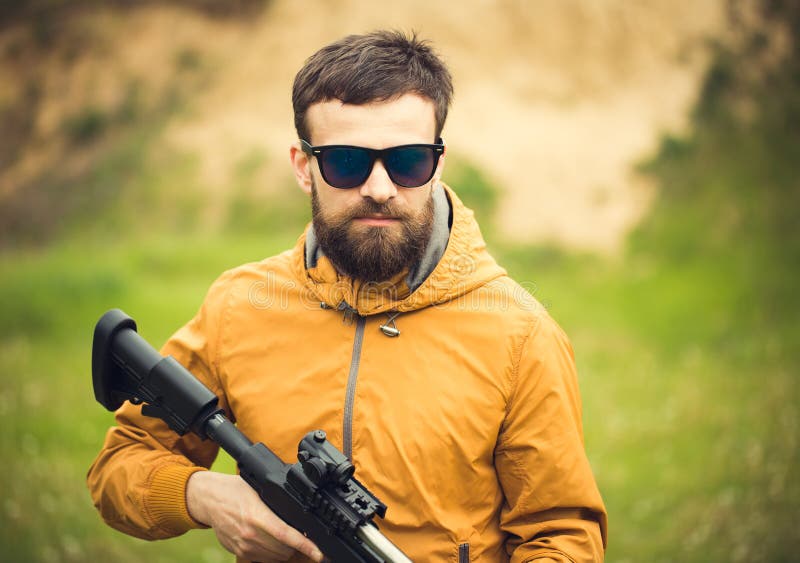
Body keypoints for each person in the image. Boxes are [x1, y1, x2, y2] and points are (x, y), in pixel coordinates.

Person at [87, 30, 608, 562]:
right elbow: (119, 468)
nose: (380, 188)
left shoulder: (519, 332)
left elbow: (561, 535)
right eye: (346, 162)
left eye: (407, 162)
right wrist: (205, 496)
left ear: (438, 164)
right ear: (303, 167)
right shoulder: (238, 307)